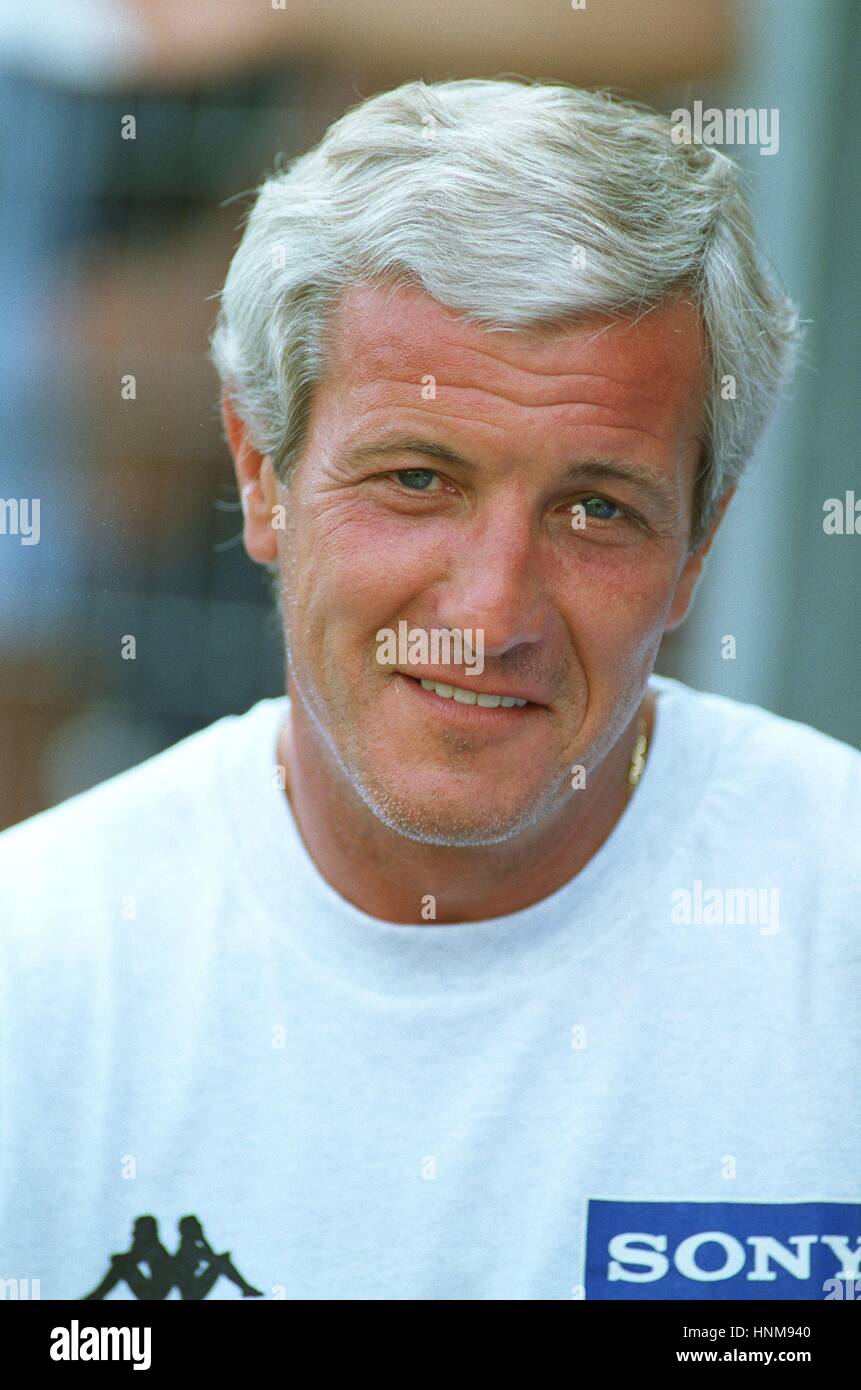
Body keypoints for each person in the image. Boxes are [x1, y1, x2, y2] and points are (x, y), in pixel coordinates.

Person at [1, 79, 858, 1302]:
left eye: (597, 508)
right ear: (262, 475)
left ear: (699, 549)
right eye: (417, 480)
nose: (489, 615)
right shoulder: (37, 973)